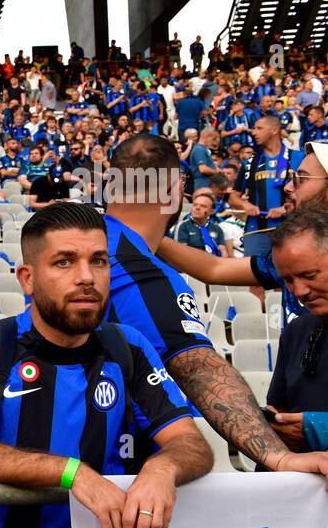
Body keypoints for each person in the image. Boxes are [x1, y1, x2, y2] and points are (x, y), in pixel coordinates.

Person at [0, 203, 213, 528]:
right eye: (64, 262)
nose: (87, 277)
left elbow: (191, 443)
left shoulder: (129, 347)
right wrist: (71, 473)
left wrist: (162, 469)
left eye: (99, 261)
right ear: (27, 279)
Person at [102, 133, 328, 478]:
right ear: (176, 190)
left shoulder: (88, 241)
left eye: (301, 178)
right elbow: (200, 368)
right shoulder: (130, 265)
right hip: (110, 476)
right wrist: (280, 457)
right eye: (291, 277)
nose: (287, 186)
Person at [156, 141, 328, 327]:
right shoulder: (299, 252)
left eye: (300, 179)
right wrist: (152, 235)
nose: (288, 187)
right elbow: (215, 269)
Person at [266, 209, 328, 453]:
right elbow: (279, 406)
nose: (299, 291)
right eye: (288, 280)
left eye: (309, 275)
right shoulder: (296, 330)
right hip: (298, 483)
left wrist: (317, 429)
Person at [232, 113, 294, 259]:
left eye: (259, 128)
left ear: (274, 130)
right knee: (254, 278)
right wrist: (246, 205)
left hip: (292, 228)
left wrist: (286, 207)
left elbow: (312, 195)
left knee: (289, 278)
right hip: (256, 230)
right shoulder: (249, 163)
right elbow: (234, 197)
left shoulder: (298, 157)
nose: (254, 132)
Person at [173, 189, 229, 257]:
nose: (197, 208)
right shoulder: (183, 226)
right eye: (195, 205)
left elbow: (223, 252)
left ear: (212, 211)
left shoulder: (217, 229)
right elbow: (180, 253)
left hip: (214, 264)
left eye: (203, 206)